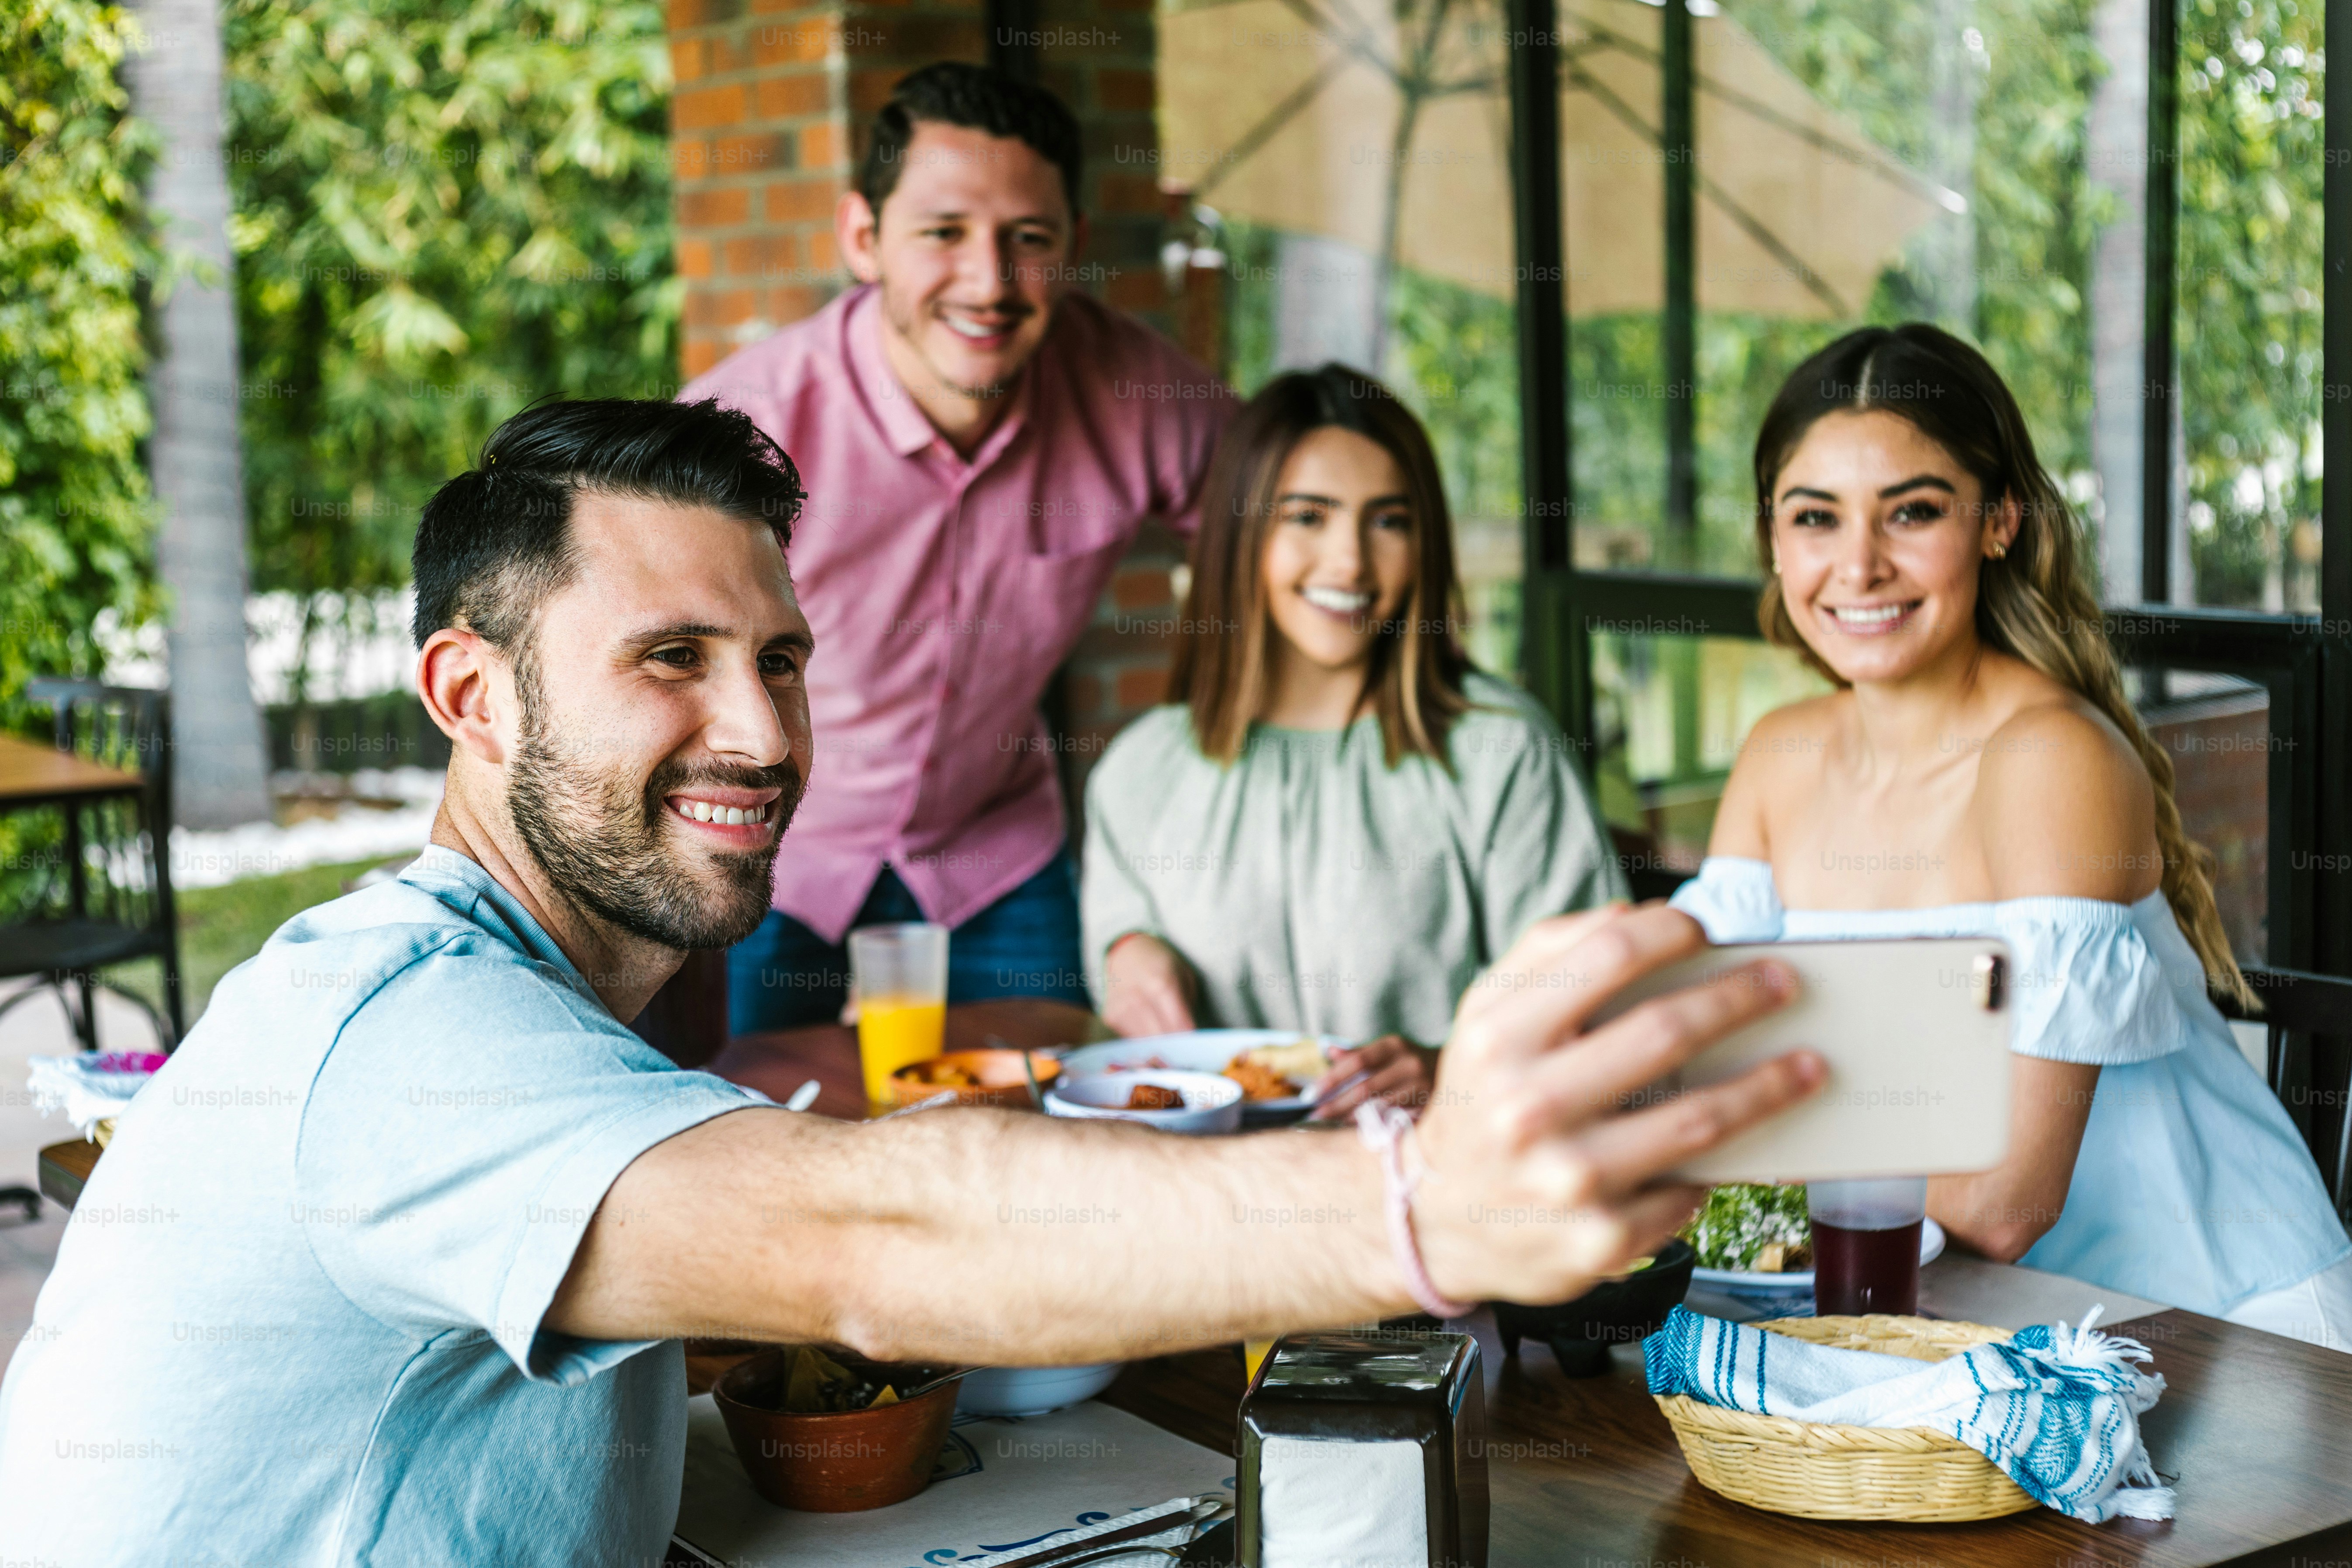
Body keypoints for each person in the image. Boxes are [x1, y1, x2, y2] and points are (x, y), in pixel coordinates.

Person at [0, 400, 1828, 1561]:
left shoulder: (533, 1013)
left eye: (779, 659)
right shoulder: (404, 1030)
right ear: (471, 697)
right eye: (670, 657)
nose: (757, 726)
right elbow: (872, 1240)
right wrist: (1424, 1205)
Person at [1671, 323, 2352, 1346]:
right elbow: (1681, 1035)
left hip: (2210, 1334)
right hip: (1954, 1330)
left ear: (1997, 521)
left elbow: (2001, 1199)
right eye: (1815, 517)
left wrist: (1712, 1150)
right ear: (1772, 537)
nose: (1857, 565)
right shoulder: (1780, 755)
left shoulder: (2050, 760)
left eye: (1910, 511)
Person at [679, 62, 1235, 1034]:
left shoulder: (1137, 393)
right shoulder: (745, 426)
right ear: (865, 238)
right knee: (747, 1124)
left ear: (1072, 249)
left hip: (994, 849)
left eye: (1028, 239)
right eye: (943, 233)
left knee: (1057, 1116)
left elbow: (1290, 528)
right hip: (768, 842)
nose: (989, 280)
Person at [1083, 366, 1625, 1119]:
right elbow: (1121, 969)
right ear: (1243, 531)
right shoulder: (1139, 771)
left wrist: (1445, 1070)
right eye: (1308, 517)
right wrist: (1126, 949)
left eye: (1389, 521)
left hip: (1440, 1199)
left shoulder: (1503, 753)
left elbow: (1596, 1014)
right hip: (1205, 1205)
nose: (1350, 563)